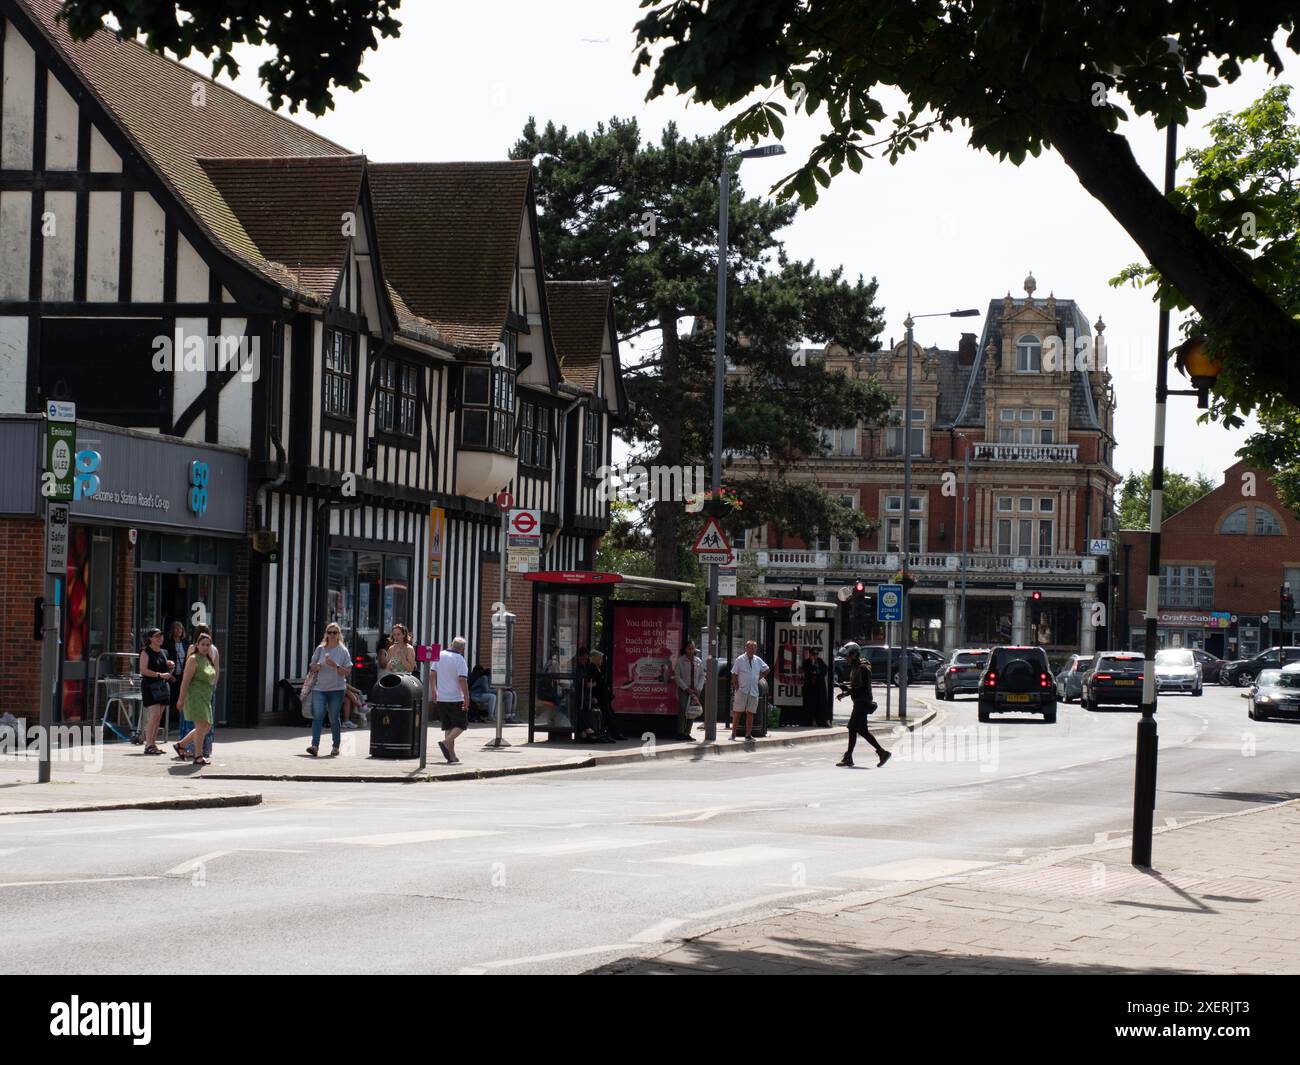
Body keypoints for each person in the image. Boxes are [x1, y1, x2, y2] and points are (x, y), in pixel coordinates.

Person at [838, 645, 891, 768]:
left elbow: (862, 689)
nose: (847, 659)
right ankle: (882, 752)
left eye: (848, 656)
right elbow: (856, 687)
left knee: (852, 728)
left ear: (855, 655)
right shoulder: (856, 668)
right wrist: (845, 693)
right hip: (858, 702)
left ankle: (849, 757)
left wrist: (847, 689)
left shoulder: (862, 668)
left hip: (862, 703)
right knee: (862, 730)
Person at [306, 623, 350, 757]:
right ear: (326, 634)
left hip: (337, 689)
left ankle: (336, 746)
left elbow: (347, 672)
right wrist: (316, 666)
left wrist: (335, 665)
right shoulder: (320, 649)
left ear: (339, 635)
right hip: (320, 688)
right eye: (329, 632)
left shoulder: (343, 650)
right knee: (318, 716)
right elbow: (312, 666)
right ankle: (315, 746)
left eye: (334, 633)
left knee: (333, 718)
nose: (331, 635)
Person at [174, 632, 218, 766]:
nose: (205, 647)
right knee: (200, 726)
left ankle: (181, 745)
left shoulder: (207, 659)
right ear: (197, 645)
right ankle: (198, 756)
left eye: (208, 645)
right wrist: (181, 699)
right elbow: (185, 681)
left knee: (207, 726)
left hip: (206, 696)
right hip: (195, 696)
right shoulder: (193, 659)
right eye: (203, 644)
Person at [433, 635, 470, 764]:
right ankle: (445, 743)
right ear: (462, 649)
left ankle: (451, 756)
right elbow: (462, 679)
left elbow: (432, 674)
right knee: (461, 725)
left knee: (449, 727)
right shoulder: (459, 659)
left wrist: (434, 691)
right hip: (455, 698)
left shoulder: (440, 655)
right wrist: (466, 697)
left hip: (442, 697)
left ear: (451, 644)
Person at [137, 628, 174, 756]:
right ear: (150, 639)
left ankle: (153, 743)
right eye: (156, 636)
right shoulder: (145, 651)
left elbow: (164, 667)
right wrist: (159, 675)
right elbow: (143, 670)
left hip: (162, 688)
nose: (160, 638)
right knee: (153, 716)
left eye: (161, 636)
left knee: (158, 717)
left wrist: (170, 665)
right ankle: (148, 745)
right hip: (150, 687)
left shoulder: (164, 652)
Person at [730, 639, 769, 741]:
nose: (752, 650)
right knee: (737, 712)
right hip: (742, 689)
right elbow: (734, 673)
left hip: (753, 690)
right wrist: (736, 685)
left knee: (750, 712)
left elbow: (767, 669)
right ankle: (733, 734)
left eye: (754, 648)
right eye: (750, 648)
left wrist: (759, 677)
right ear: (746, 648)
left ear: (756, 649)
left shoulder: (757, 660)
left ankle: (748, 734)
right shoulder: (740, 659)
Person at [674, 640, 705, 741]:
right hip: (684, 689)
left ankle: (687, 733)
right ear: (685, 649)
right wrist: (686, 688)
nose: (691, 650)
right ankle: (680, 733)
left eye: (692, 648)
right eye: (689, 648)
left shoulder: (698, 661)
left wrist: (698, 688)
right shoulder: (680, 661)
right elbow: (677, 676)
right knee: (683, 710)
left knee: (692, 711)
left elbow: (702, 676)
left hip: (695, 691)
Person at [587, 650, 620, 740]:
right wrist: (593, 695)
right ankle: (612, 734)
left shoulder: (598, 668)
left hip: (604, 697)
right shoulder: (592, 668)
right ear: (594, 658)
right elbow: (592, 683)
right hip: (599, 697)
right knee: (607, 716)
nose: (601, 660)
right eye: (599, 658)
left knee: (609, 715)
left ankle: (613, 733)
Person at [570, 647, 601, 743]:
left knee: (588, 706)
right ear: (579, 657)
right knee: (581, 707)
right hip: (576, 693)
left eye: (586, 659)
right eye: (583, 659)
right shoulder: (574, 666)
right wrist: (586, 684)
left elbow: (587, 678)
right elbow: (577, 679)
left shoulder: (584, 666)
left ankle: (584, 730)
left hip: (585, 694)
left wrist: (590, 684)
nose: (584, 661)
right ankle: (586, 727)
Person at [166, 621, 188, 726]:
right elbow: (165, 660)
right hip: (172, 675)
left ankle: (180, 721)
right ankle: (168, 722)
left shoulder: (185, 643)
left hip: (182, 675)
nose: (179, 631)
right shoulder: (168, 643)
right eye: (176, 628)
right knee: (171, 698)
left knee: (181, 698)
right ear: (172, 630)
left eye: (180, 628)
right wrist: (170, 675)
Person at [811, 649, 832, 727]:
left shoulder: (820, 661)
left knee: (823, 703)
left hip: (820, 686)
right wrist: (812, 665)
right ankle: (813, 720)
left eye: (816, 654)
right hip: (812, 687)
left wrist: (818, 671)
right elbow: (808, 672)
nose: (815, 656)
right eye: (813, 654)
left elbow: (825, 670)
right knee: (813, 704)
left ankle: (826, 720)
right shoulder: (808, 662)